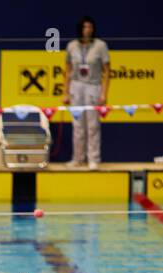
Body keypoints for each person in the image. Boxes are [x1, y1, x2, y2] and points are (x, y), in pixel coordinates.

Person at [64, 16, 110, 169]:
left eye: (90, 27)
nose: (88, 30)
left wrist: (104, 93)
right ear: (80, 29)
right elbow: (68, 70)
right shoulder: (71, 46)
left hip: (93, 86)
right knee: (78, 126)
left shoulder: (100, 46)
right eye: (85, 27)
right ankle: (77, 158)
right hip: (76, 86)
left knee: (92, 125)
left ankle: (94, 159)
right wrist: (65, 92)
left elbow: (107, 71)